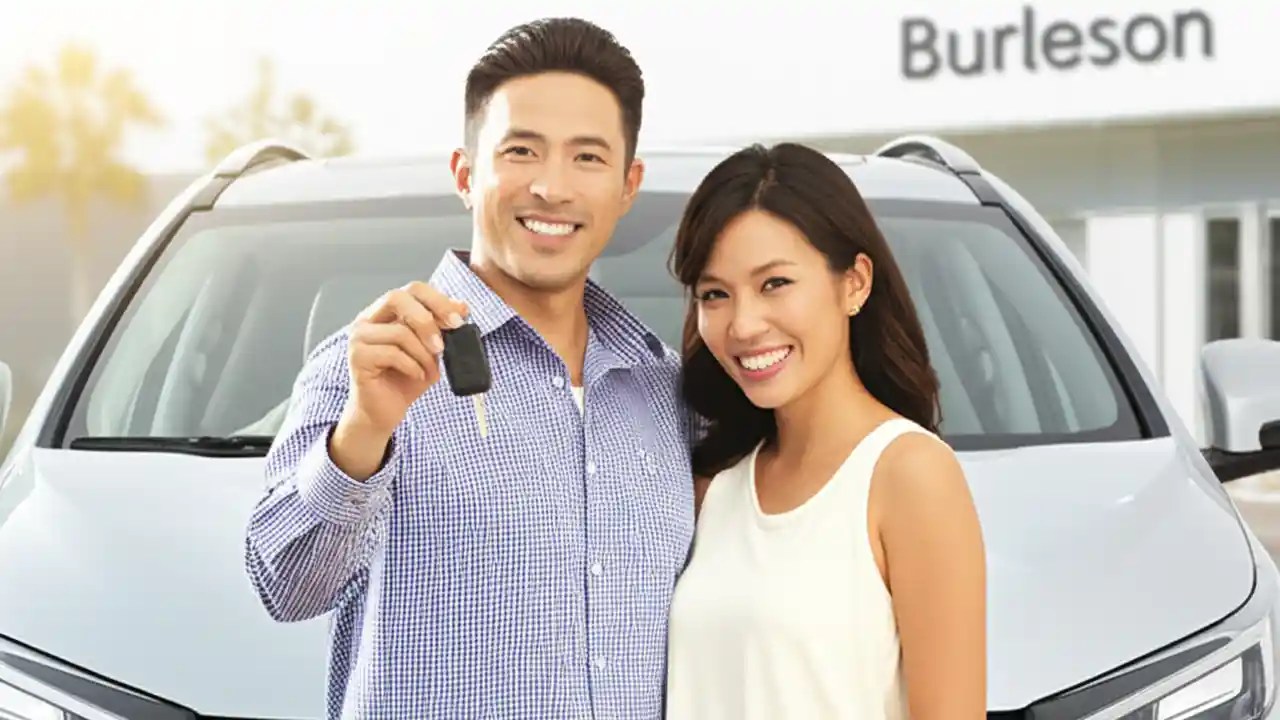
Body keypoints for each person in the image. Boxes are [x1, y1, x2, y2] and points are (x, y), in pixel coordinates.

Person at [243, 18, 695, 720]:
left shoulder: (665, 391)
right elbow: (286, 586)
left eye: (587, 158)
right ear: (465, 173)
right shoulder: (370, 367)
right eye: (521, 151)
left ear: (628, 184)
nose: (551, 187)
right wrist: (364, 432)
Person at [663, 143, 987, 719]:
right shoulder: (714, 485)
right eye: (715, 294)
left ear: (855, 283)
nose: (742, 325)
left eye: (775, 284)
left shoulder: (909, 474)